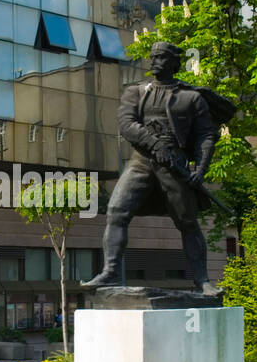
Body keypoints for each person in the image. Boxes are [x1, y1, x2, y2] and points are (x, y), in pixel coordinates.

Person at [82, 41, 234, 295]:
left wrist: (200, 170)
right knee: (116, 211)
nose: (155, 61)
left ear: (174, 63)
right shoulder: (136, 92)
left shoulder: (191, 97)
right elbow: (126, 124)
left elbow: (206, 135)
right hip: (141, 161)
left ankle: (202, 281)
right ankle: (110, 271)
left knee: (188, 222)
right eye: (153, 57)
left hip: (174, 165)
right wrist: (154, 144)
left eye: (161, 57)